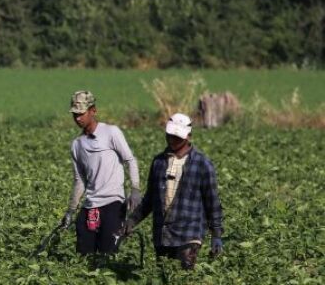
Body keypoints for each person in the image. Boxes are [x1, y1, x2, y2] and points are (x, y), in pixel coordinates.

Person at [118, 113, 223, 270]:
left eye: (177, 137)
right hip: (163, 233)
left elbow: (212, 201)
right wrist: (132, 221)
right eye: (170, 135)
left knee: (184, 275)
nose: (172, 140)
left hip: (189, 232)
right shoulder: (159, 162)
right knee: (164, 277)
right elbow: (149, 200)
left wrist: (216, 234)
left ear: (188, 136)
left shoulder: (202, 164)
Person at [60, 90, 142, 256]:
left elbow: (130, 160)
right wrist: (70, 210)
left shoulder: (111, 132)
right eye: (74, 115)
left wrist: (135, 189)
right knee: (84, 254)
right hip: (91, 204)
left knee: (108, 254)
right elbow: (80, 180)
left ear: (93, 111)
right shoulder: (77, 145)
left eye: (81, 114)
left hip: (113, 203)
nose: (77, 118)